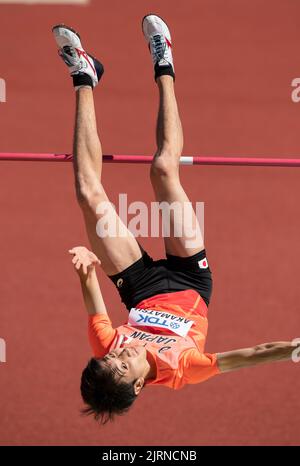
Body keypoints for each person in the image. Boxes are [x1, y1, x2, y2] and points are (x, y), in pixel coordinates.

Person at [52, 14, 299, 424]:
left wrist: (86, 267)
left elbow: (90, 290)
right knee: (164, 170)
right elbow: (252, 355)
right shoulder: (183, 370)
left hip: (138, 286)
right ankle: (163, 62)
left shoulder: (106, 350)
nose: (119, 354)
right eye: (123, 365)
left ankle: (84, 74)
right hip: (189, 280)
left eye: (111, 358)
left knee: (87, 194)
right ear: (136, 385)